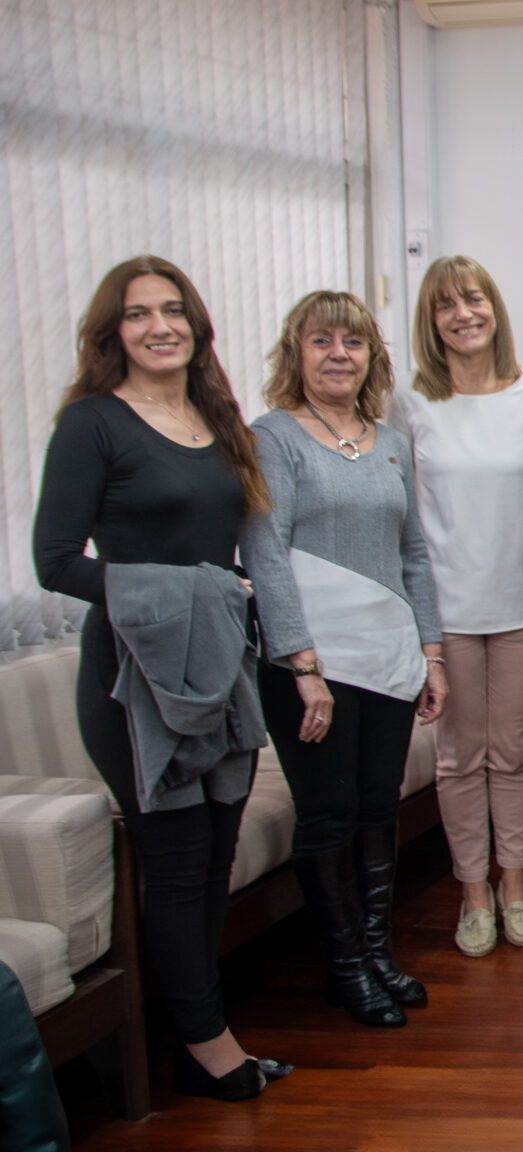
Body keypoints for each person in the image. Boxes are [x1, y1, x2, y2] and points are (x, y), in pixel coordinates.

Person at [32, 256, 290, 1099]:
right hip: (133, 678)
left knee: (214, 857)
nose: (159, 327)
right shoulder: (92, 423)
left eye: (173, 310)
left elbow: (253, 546)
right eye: (138, 315)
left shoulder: (215, 415)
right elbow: (55, 561)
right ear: (114, 335)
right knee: (177, 863)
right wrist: (180, 591)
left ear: (196, 323)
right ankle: (208, 1044)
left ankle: (193, 1028)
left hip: (222, 667)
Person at [241, 290, 448, 1029]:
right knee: (328, 815)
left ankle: (375, 951)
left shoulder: (390, 440)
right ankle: (345, 966)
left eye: (352, 343)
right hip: (312, 668)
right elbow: (264, 555)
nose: (338, 355)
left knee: (375, 806)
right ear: (295, 353)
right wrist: (302, 666)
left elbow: (414, 554)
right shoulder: (272, 437)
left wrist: (432, 653)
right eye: (322, 341)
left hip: (387, 657)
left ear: (372, 356)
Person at [389, 256, 523, 958]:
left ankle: (516, 885)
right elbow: (399, 512)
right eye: (445, 305)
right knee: (460, 757)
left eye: (474, 299)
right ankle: (473, 894)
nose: (463, 314)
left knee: (513, 750)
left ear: (495, 307)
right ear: (430, 322)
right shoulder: (408, 402)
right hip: (446, 611)